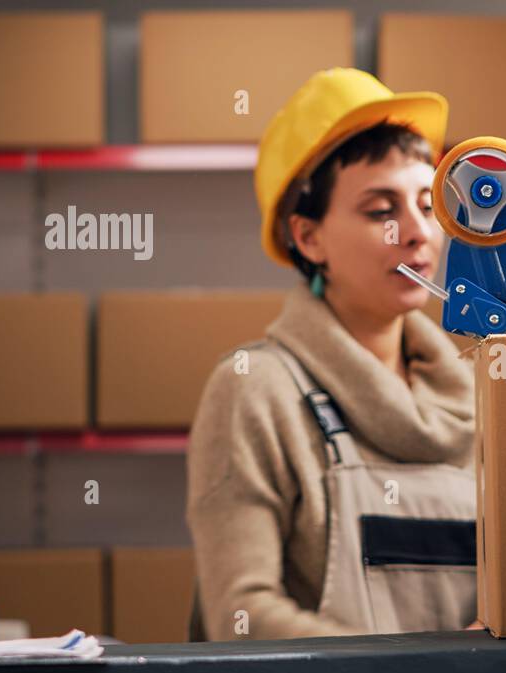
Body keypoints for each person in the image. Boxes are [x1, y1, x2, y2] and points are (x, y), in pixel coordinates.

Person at [186, 68, 482, 640]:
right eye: (381, 211)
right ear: (308, 237)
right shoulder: (255, 389)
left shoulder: (479, 395)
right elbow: (241, 617)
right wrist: (424, 671)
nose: (418, 232)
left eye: (427, 203)